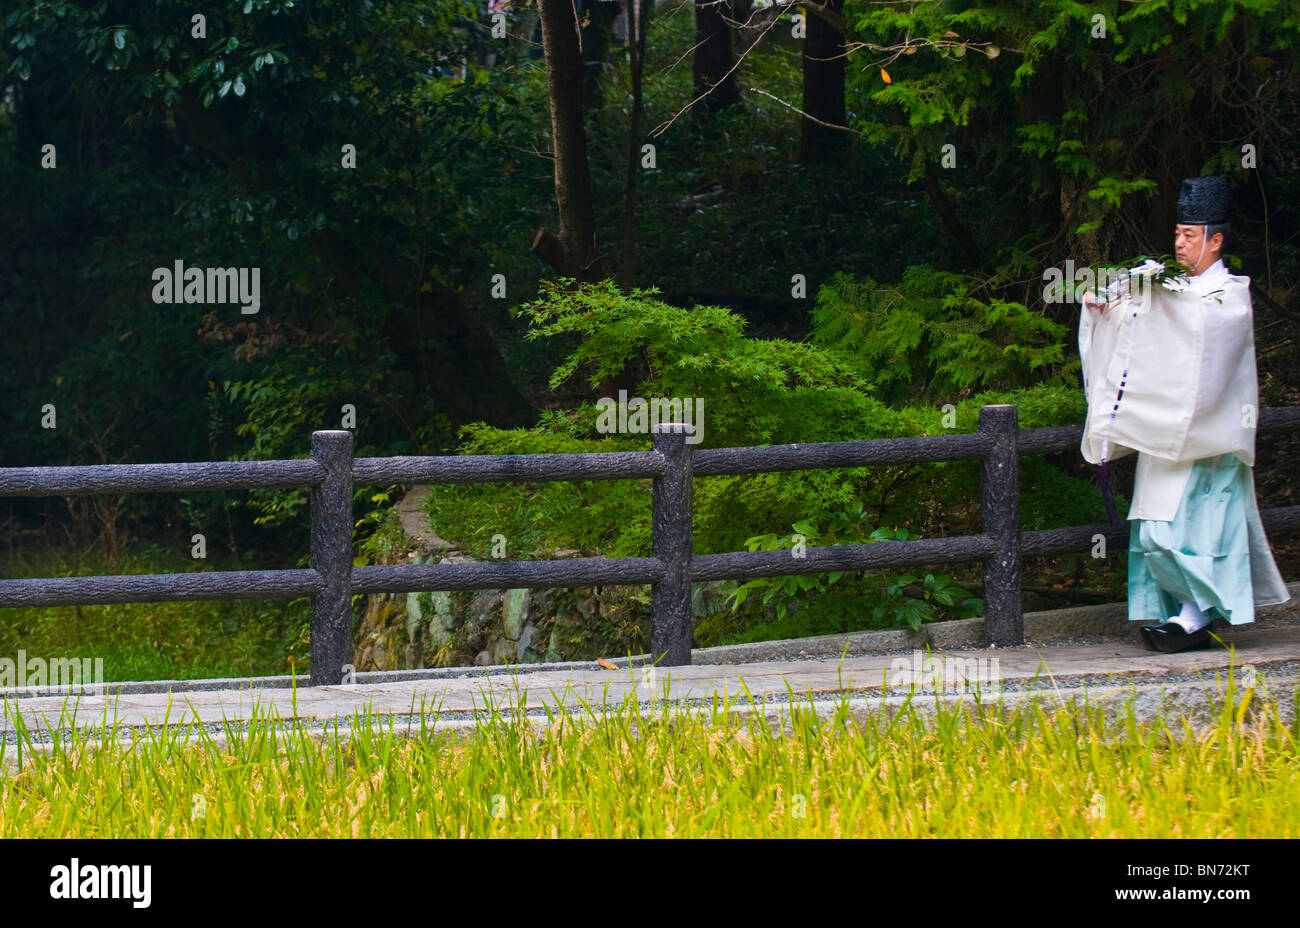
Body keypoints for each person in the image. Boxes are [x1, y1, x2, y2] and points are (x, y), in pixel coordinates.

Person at [1077, 176, 1290, 653]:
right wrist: (1105, 308)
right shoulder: (1170, 289)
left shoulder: (1228, 297)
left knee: (1193, 531)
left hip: (1208, 441)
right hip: (1164, 434)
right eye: (1177, 233)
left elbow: (1205, 350)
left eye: (1189, 235)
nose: (1179, 243)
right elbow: (1139, 332)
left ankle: (1195, 617)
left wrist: (1153, 300)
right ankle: (1184, 614)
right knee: (1154, 533)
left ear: (1216, 240)